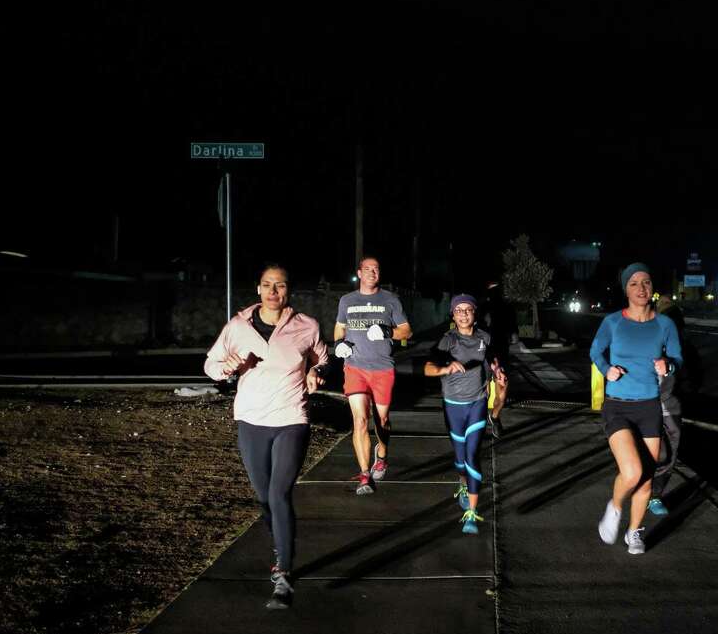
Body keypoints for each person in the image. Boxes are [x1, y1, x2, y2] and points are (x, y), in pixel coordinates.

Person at [203, 263, 328, 609]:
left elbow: (321, 358)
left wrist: (316, 372)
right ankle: (280, 543)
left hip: (291, 418)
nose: (274, 291)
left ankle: (283, 573)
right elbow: (211, 364)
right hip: (251, 420)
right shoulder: (238, 327)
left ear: (289, 291)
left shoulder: (307, 326)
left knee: (279, 493)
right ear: (258, 289)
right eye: (267, 285)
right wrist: (227, 368)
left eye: (281, 285)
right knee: (263, 497)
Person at [589, 263, 682, 555]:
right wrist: (606, 369)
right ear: (626, 290)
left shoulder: (665, 325)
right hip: (617, 406)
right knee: (631, 472)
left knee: (645, 480)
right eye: (634, 284)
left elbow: (677, 356)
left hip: (649, 407)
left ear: (652, 288)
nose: (641, 288)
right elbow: (595, 351)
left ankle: (634, 532)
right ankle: (614, 508)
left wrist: (668, 365)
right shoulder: (613, 322)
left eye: (646, 282)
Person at [423, 294, 507, 534]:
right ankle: (462, 483)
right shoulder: (447, 341)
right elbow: (428, 368)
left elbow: (492, 359)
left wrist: (497, 371)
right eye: (458, 310)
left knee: (472, 455)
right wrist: (445, 367)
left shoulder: (485, 337)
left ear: (474, 313)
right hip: (452, 405)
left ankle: (472, 511)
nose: (463, 313)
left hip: (477, 403)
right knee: (460, 459)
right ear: (453, 314)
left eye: (467, 309)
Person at [333, 257, 413, 494]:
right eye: (367, 269)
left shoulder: (390, 300)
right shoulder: (346, 300)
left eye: (376, 269)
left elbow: (407, 330)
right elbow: (340, 326)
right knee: (359, 421)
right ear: (359, 273)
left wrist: (388, 331)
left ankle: (383, 453)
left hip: (382, 368)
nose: (372, 272)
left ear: (380, 273)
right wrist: (338, 343)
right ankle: (365, 476)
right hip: (355, 366)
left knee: (382, 421)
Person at [648, 294, 685, 516]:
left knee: (669, 455)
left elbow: (692, 375)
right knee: (654, 453)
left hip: (671, 408)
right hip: (646, 408)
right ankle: (642, 491)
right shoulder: (645, 344)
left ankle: (655, 495)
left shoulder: (682, 349)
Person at [479, 281, 513, 436]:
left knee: (502, 394)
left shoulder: (507, 308)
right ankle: (479, 421)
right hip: (483, 355)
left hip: (502, 354)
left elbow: (514, 334)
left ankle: (495, 417)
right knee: (482, 394)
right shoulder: (481, 310)